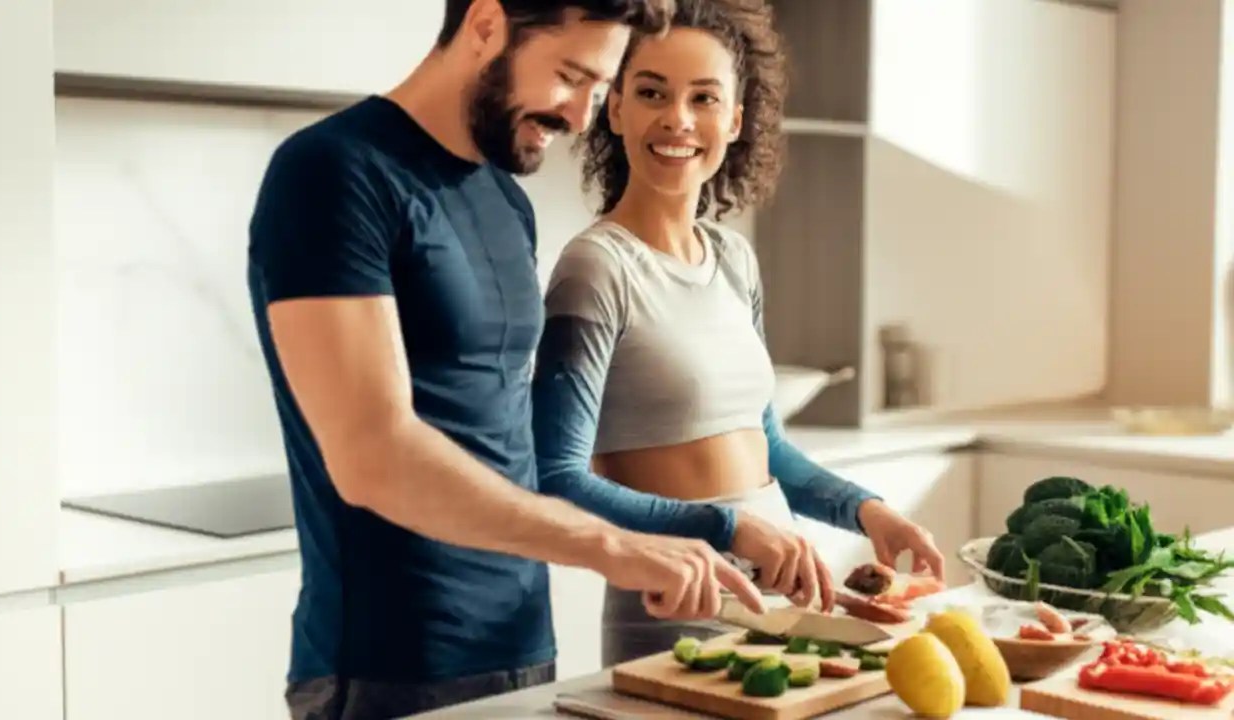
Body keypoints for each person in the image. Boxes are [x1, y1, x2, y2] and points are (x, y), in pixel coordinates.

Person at [245, 1, 824, 718]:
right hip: (387, 667)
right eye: (571, 76)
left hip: (522, 647)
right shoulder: (333, 172)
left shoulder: (504, 200)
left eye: (597, 86)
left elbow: (518, 445)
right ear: (487, 24)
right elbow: (374, 453)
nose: (582, 116)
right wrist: (615, 545)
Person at [531, 0, 947, 667]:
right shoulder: (596, 268)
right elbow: (556, 476)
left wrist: (868, 512)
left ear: (735, 121)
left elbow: (766, 451)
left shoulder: (733, 260)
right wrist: (729, 529)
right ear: (615, 110)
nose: (677, 119)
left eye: (704, 98)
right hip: (677, 616)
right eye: (651, 93)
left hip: (786, 604)